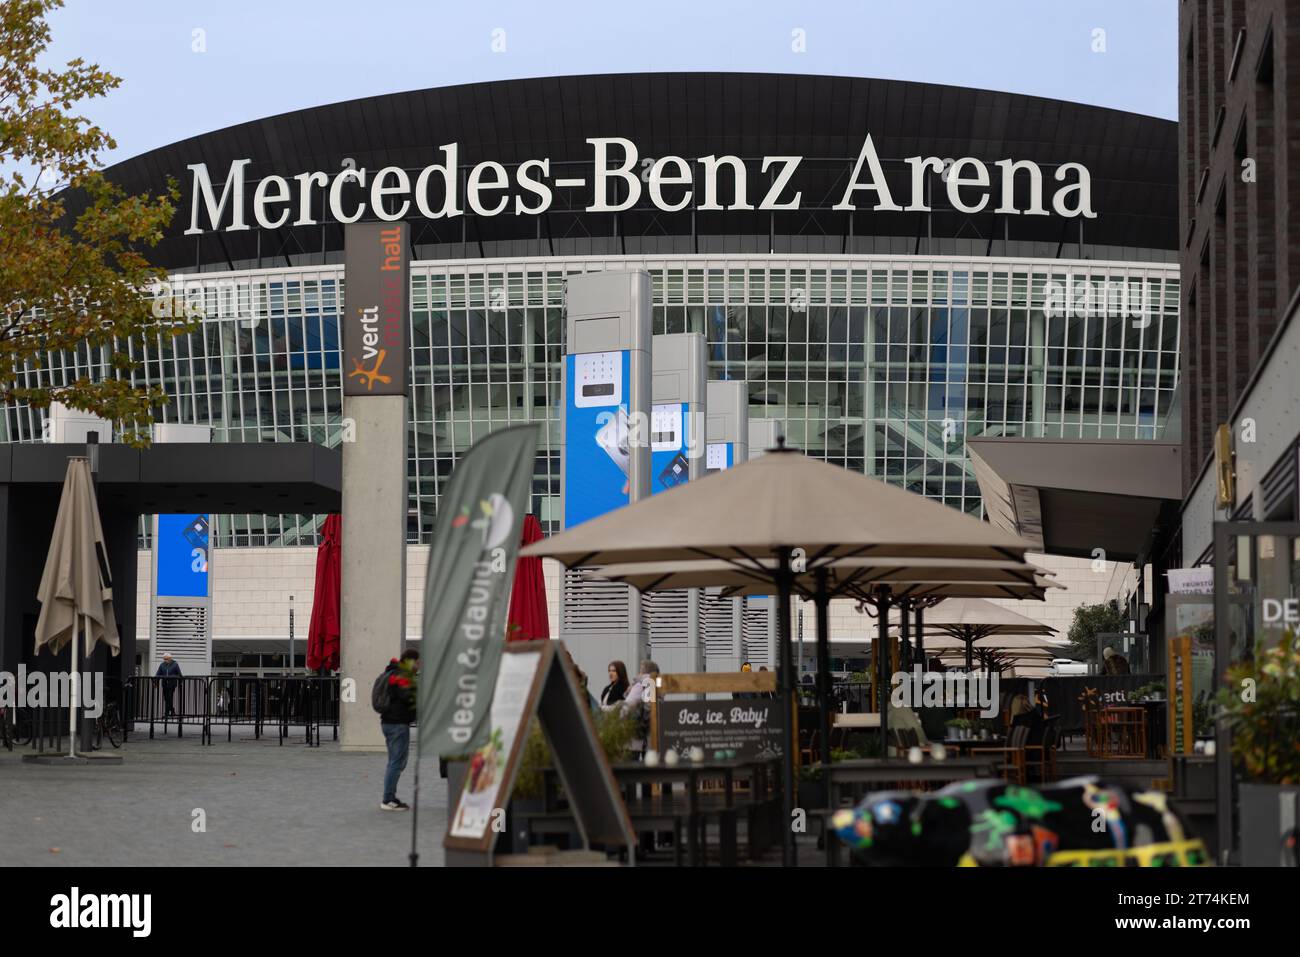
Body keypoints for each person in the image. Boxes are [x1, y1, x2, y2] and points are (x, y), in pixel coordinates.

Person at [378, 649, 420, 811]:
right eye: (417, 662)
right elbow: (408, 699)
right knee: (396, 762)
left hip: (389, 722)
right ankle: (388, 799)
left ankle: (390, 797)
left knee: (395, 761)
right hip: (397, 724)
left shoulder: (393, 674)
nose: (419, 665)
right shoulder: (401, 677)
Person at [621, 660, 659, 758]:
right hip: (652, 736)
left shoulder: (640, 685)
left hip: (635, 735)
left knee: (632, 768)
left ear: (643, 672)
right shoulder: (658, 686)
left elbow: (627, 706)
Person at [155, 653, 182, 718]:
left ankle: (167, 713)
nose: (165, 660)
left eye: (166, 659)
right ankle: (172, 711)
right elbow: (158, 674)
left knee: (169, 697)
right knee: (166, 698)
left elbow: (179, 674)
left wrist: (179, 681)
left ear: (170, 658)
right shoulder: (162, 665)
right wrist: (156, 682)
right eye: (164, 659)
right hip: (164, 684)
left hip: (172, 683)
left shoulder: (175, 664)